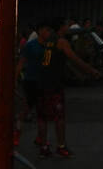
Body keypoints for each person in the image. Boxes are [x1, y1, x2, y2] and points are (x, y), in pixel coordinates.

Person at [22, 18, 99, 158]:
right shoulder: (61, 42)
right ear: (61, 28)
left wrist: (80, 75)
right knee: (59, 117)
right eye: (65, 26)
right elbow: (74, 59)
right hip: (53, 85)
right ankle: (61, 146)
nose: (67, 29)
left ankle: (44, 146)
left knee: (42, 117)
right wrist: (91, 71)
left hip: (41, 82)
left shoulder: (47, 42)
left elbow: (63, 62)